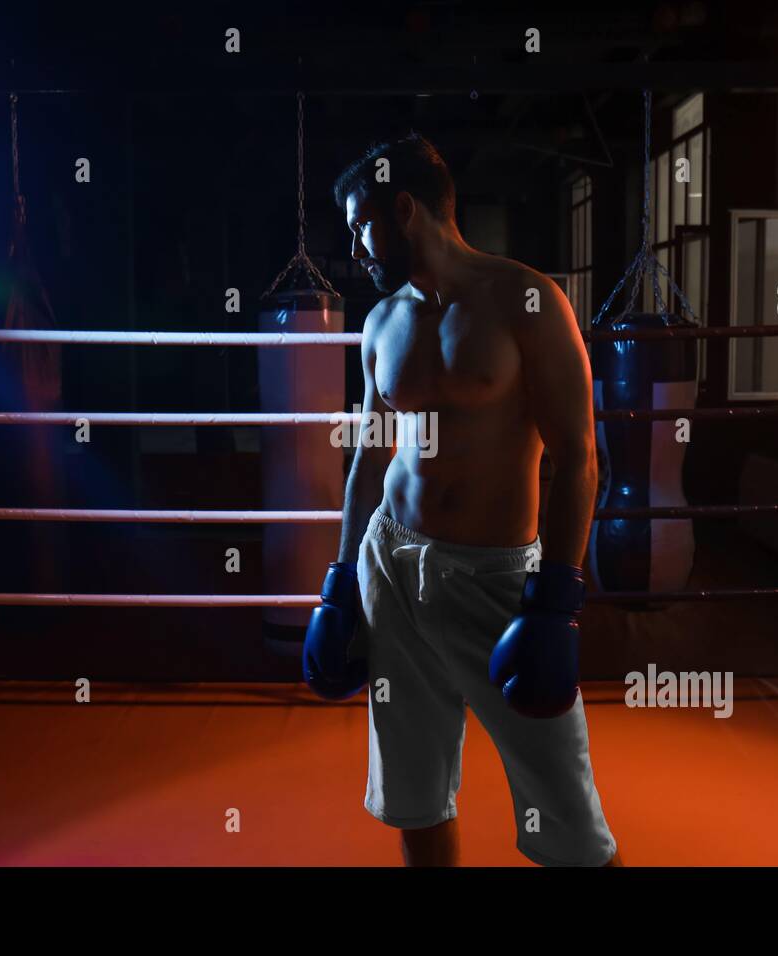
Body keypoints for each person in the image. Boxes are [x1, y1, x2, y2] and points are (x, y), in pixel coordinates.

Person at [303, 132, 619, 867]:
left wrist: (556, 600)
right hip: (392, 561)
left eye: (360, 225)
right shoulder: (381, 324)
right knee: (413, 788)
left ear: (404, 209)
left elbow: (578, 456)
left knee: (566, 810)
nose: (355, 246)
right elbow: (370, 457)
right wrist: (340, 582)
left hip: (495, 576)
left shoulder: (527, 300)